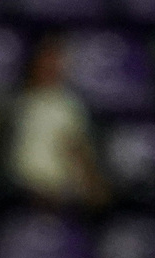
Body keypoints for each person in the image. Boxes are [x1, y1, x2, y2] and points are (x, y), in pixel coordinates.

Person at [7, 38, 109, 212]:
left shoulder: (69, 106)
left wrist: (91, 184)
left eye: (55, 63)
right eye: (45, 61)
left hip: (56, 190)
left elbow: (75, 147)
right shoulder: (17, 103)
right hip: (16, 189)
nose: (50, 67)